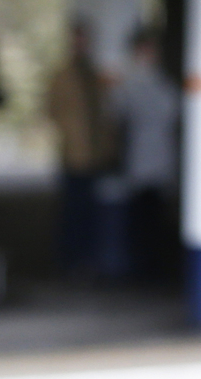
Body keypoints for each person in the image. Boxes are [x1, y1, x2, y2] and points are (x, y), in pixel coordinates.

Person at [112, 24, 181, 288]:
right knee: (141, 219)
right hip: (141, 161)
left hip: (157, 159)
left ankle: (150, 267)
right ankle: (142, 270)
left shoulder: (158, 79)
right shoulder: (131, 82)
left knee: (153, 218)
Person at [45, 19, 112, 281]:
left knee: (90, 212)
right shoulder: (63, 76)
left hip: (94, 156)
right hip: (74, 156)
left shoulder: (94, 75)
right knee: (72, 212)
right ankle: (69, 261)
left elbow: (104, 114)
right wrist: (69, 133)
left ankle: (86, 260)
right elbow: (52, 111)